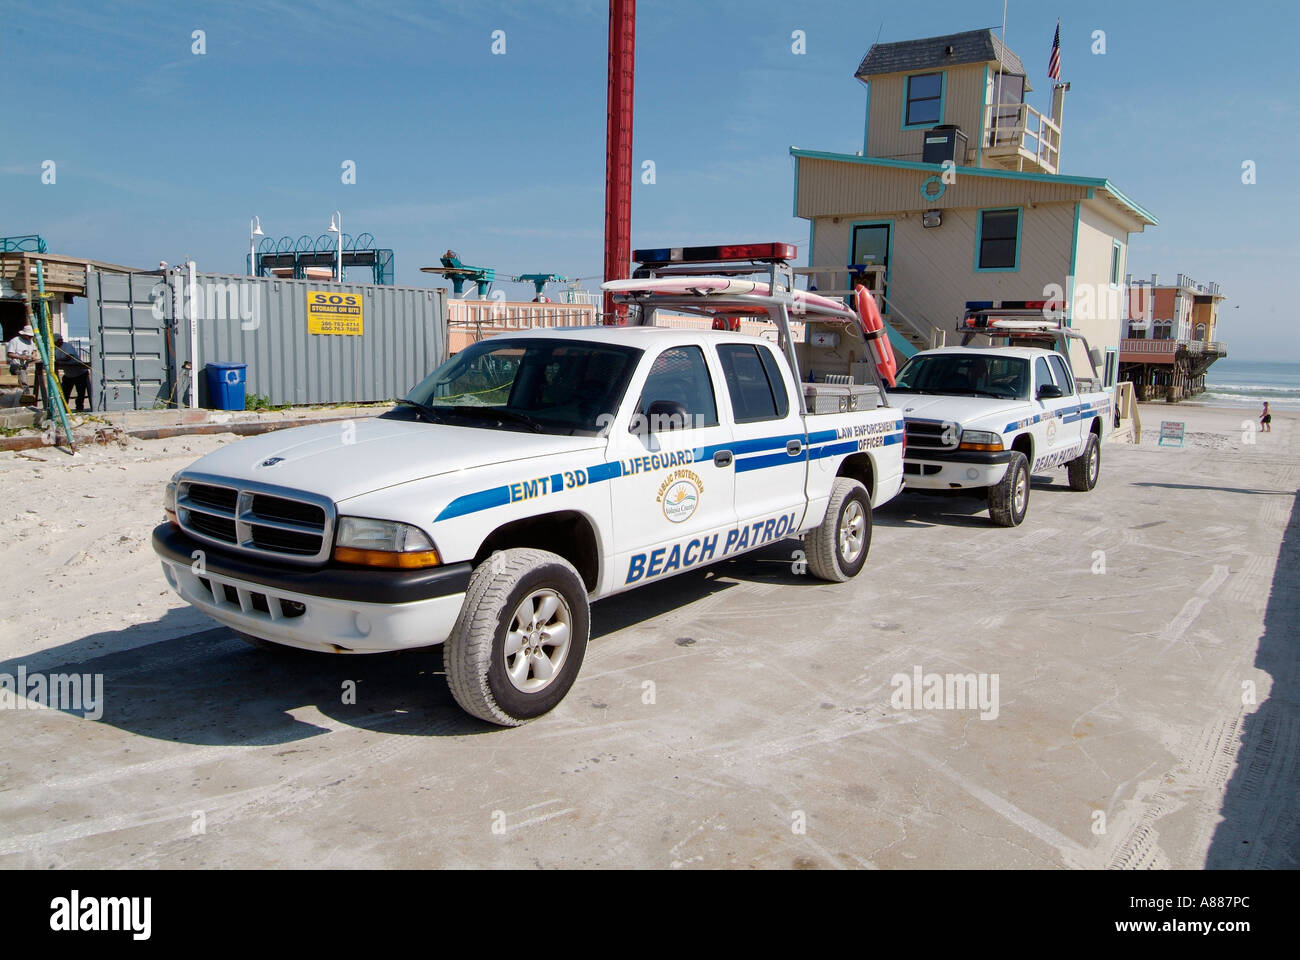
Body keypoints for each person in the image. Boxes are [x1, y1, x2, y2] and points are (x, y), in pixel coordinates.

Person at [54, 334, 91, 412]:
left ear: (60, 340)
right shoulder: (55, 349)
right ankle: (64, 409)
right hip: (68, 374)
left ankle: (79, 409)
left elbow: (69, 357)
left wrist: (59, 361)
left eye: (55, 342)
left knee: (80, 394)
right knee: (65, 393)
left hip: (80, 373)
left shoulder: (67, 346)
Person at [6, 325, 37, 394]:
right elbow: (9, 354)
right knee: (23, 383)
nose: (30, 338)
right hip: (17, 365)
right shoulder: (15, 341)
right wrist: (20, 357)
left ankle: (20, 397)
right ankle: (27, 397)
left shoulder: (30, 341)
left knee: (20, 384)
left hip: (25, 366)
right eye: (29, 336)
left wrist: (33, 355)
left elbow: (34, 350)